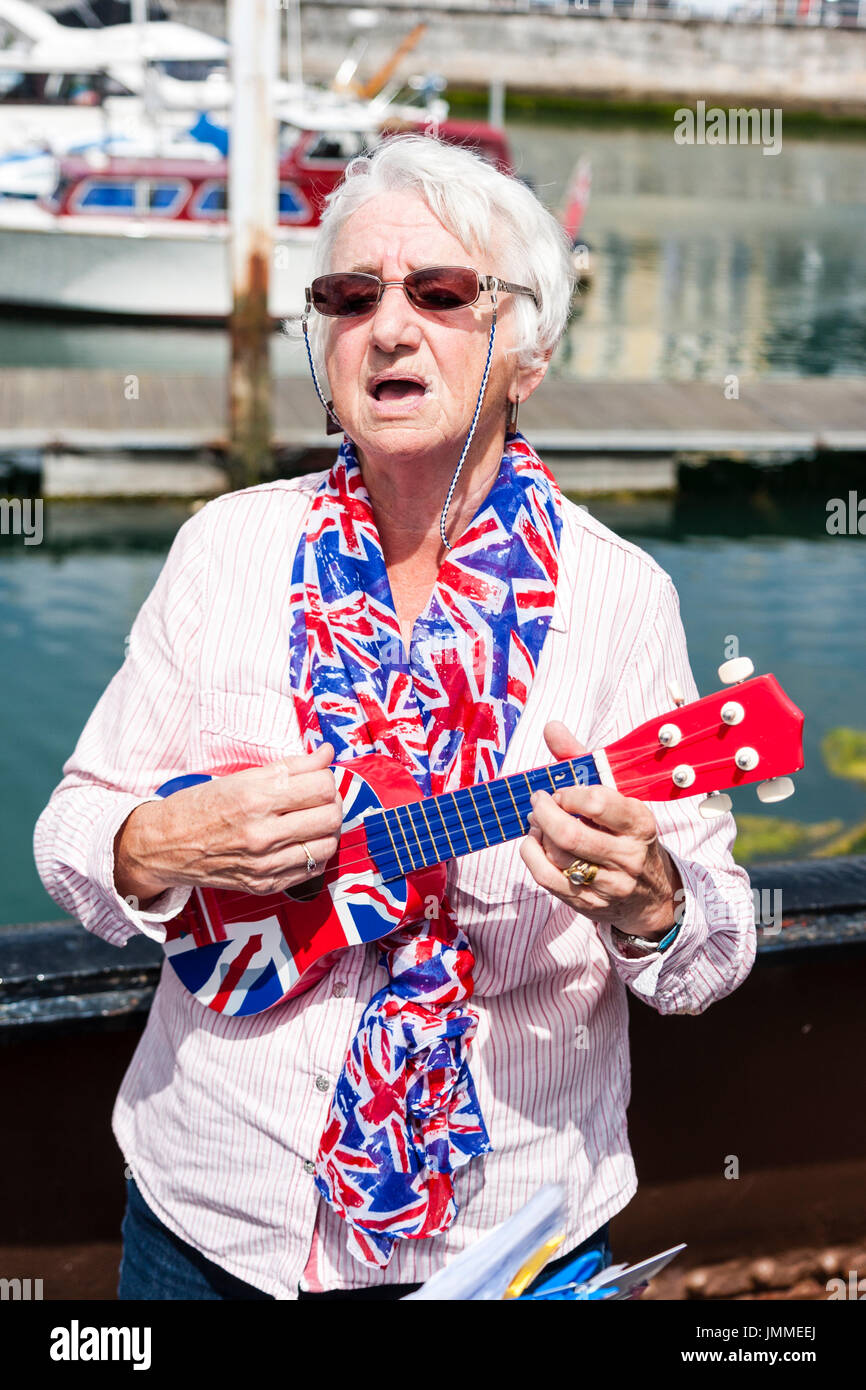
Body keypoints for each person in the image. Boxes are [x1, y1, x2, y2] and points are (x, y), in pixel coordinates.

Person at [34, 135, 755, 1301]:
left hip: (507, 1237)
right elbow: (71, 830)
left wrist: (652, 899)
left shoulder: (623, 598)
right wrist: (155, 846)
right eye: (349, 294)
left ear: (526, 353)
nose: (387, 325)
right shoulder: (226, 548)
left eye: (438, 293)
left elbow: (711, 951)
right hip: (208, 1217)